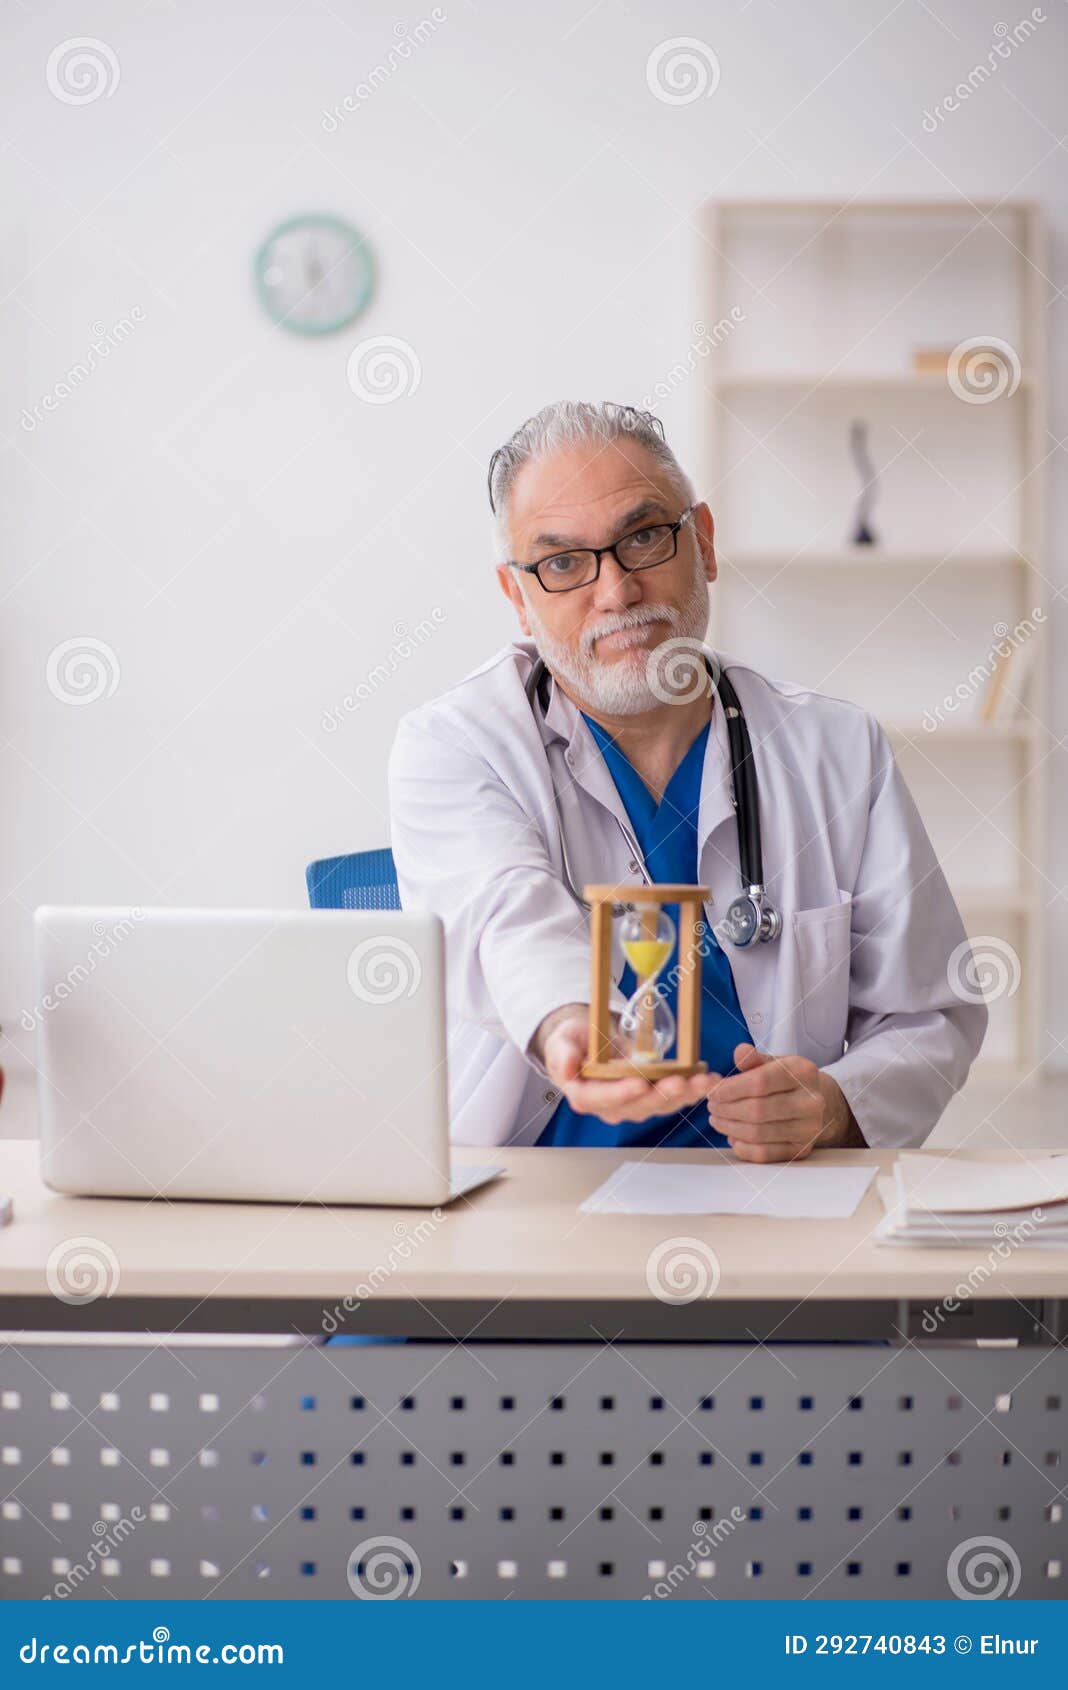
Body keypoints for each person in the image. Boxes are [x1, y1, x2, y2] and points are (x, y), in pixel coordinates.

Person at [388, 401, 986, 1160]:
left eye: (642, 538)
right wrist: (573, 1022)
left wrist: (835, 1105)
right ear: (518, 596)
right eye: (563, 562)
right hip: (541, 1189)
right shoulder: (456, 745)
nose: (615, 593)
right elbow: (507, 919)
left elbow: (928, 1015)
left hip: (780, 1187)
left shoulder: (836, 748)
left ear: (702, 542)